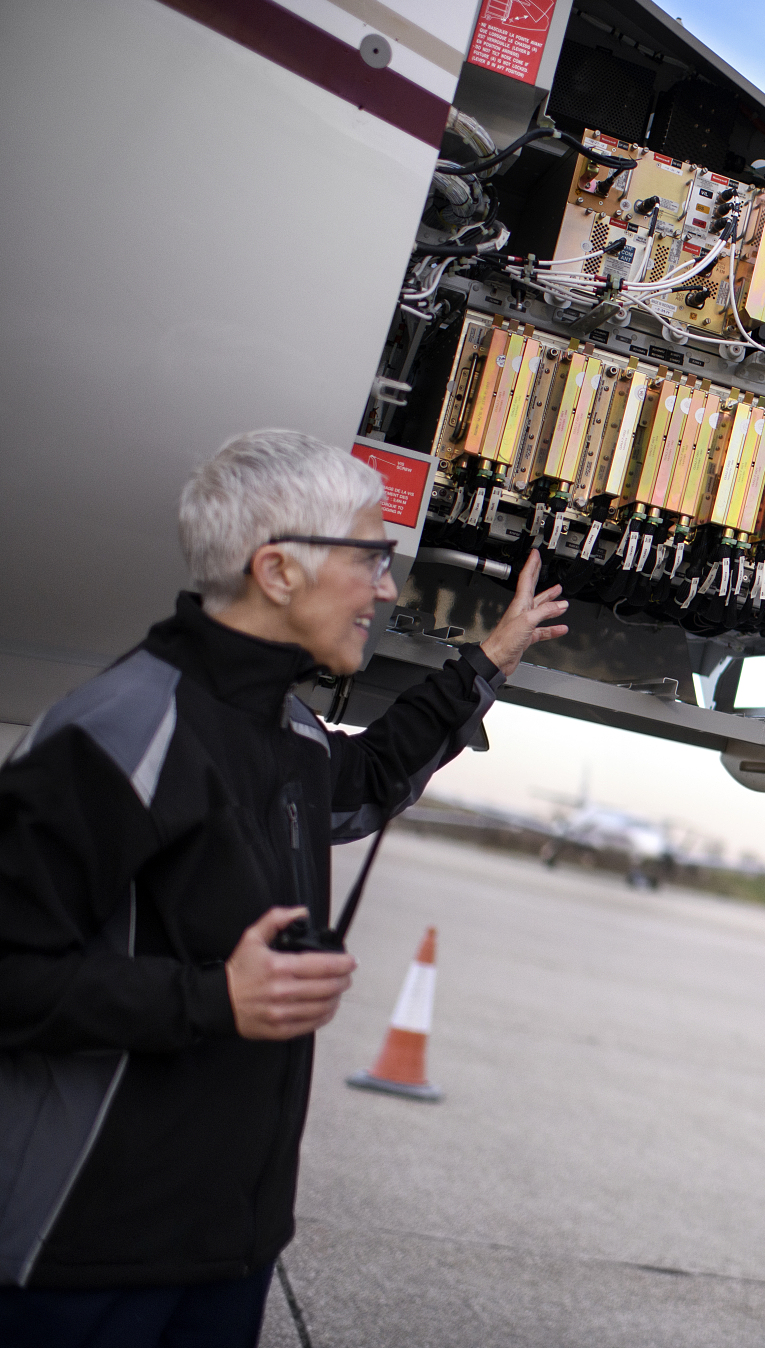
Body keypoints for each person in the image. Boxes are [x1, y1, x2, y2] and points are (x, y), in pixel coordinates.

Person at [0, 431, 566, 1346]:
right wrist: (214, 996)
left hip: (231, 1243)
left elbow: (371, 777)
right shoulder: (118, 731)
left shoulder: (289, 732)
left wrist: (488, 658)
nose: (387, 585)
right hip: (83, 1255)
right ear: (278, 570)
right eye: (372, 556)